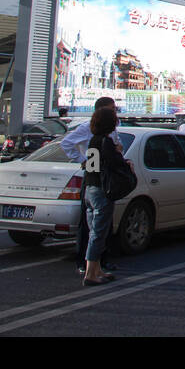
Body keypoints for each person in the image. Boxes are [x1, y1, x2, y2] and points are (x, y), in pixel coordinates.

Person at [62, 97, 122, 273]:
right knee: (94, 229)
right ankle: (88, 267)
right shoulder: (96, 139)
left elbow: (102, 159)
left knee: (101, 228)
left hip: (98, 183)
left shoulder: (105, 138)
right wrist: (85, 161)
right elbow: (99, 162)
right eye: (112, 109)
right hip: (97, 185)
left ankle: (98, 265)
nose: (115, 112)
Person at [82, 105, 127, 286]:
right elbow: (116, 163)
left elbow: (91, 166)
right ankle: (90, 274)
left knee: (94, 230)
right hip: (102, 191)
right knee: (99, 234)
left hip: (90, 189)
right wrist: (118, 152)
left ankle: (96, 269)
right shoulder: (106, 142)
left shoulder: (93, 141)